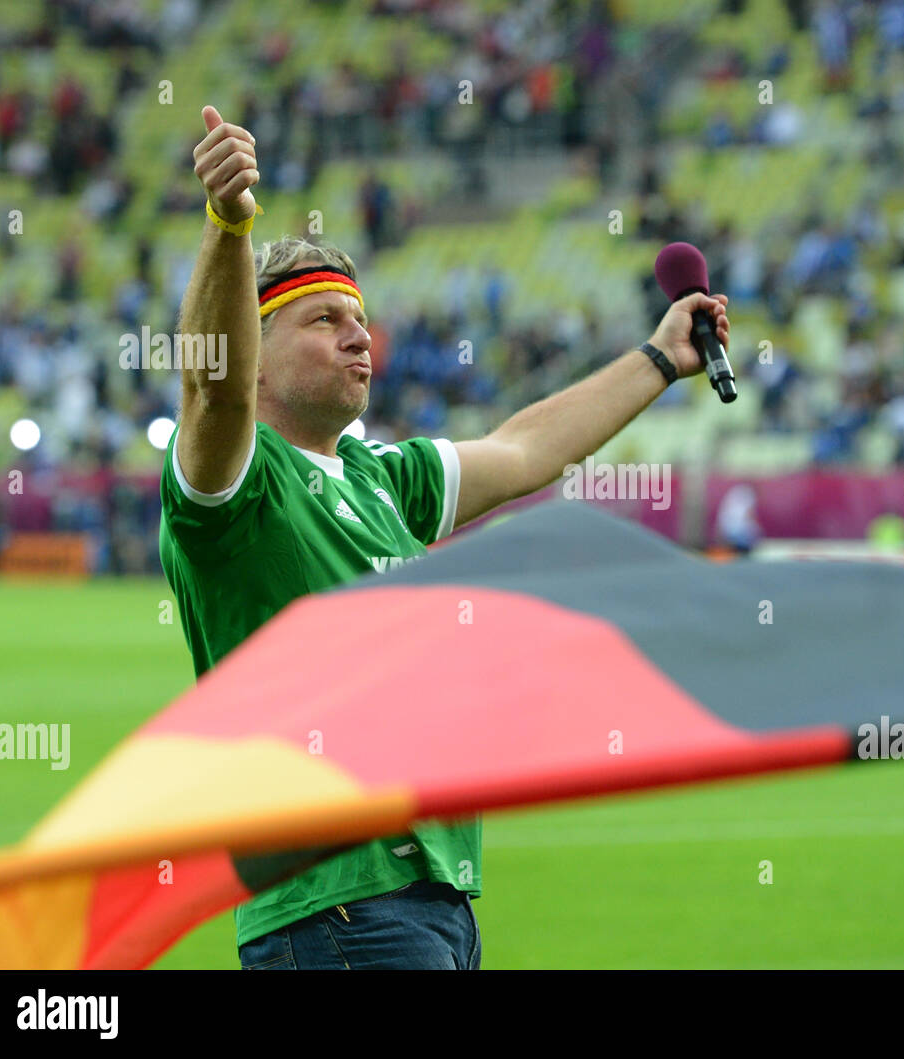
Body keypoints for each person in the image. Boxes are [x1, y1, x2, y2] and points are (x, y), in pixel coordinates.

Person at [160, 106, 731, 970]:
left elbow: (526, 448)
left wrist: (657, 359)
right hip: (336, 909)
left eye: (359, 318)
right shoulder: (241, 485)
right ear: (260, 354)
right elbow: (211, 388)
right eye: (322, 321)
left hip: (434, 901)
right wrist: (229, 226)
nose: (360, 336)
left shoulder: (381, 476)